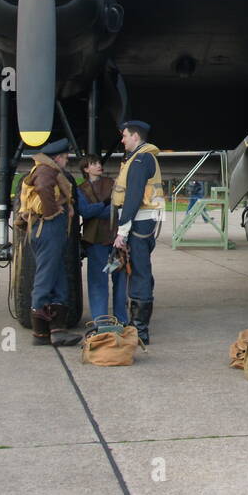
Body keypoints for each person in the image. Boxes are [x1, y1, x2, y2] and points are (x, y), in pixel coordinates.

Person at [112, 121, 165, 345]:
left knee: (140, 272)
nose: (122, 140)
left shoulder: (141, 160)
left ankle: (140, 330)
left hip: (139, 224)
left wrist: (122, 232)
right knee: (140, 271)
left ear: (135, 136)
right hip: (146, 223)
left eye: (124, 136)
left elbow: (133, 197)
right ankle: (137, 325)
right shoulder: (140, 158)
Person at [20, 138, 75, 345]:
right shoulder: (46, 170)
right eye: (66, 157)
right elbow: (43, 188)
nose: (67, 161)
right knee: (45, 278)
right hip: (48, 229)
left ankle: (57, 331)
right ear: (58, 158)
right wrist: (52, 212)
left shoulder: (44, 168)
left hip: (50, 231)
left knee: (57, 278)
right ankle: (40, 333)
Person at [74, 157, 127, 325]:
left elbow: (117, 207)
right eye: (93, 164)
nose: (99, 166)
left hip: (115, 239)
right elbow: (84, 211)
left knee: (120, 281)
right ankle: (101, 322)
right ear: (86, 169)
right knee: (98, 282)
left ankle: (121, 320)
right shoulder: (80, 189)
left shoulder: (112, 183)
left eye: (99, 163)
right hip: (96, 240)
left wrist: (99, 209)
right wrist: (104, 206)